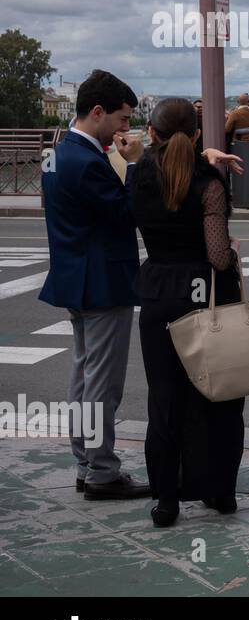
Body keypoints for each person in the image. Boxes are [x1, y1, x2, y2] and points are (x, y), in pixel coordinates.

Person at [131, 98, 246, 527]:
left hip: (158, 295)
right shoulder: (208, 182)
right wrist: (233, 254)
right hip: (205, 298)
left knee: (164, 401)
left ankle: (166, 500)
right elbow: (217, 255)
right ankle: (220, 492)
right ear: (197, 135)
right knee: (219, 397)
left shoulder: (139, 175)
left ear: (152, 133)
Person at [39, 71, 150, 500]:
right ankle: (102, 471)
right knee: (103, 384)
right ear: (98, 112)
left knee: (84, 377)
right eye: (121, 119)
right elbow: (125, 214)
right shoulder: (87, 161)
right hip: (103, 281)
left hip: (75, 276)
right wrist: (137, 164)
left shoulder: (58, 153)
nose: (125, 129)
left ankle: (86, 462)